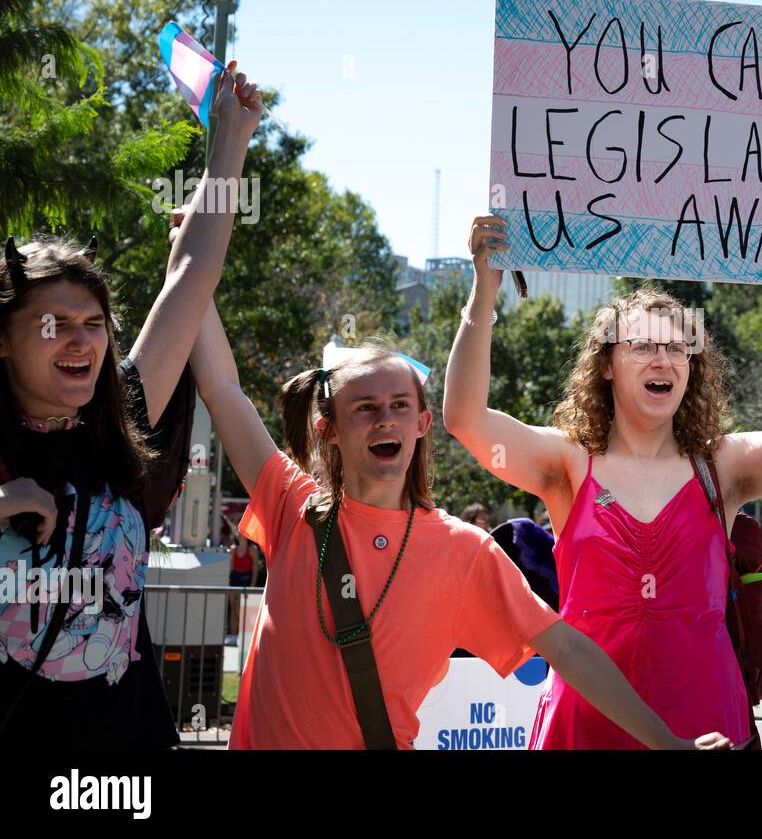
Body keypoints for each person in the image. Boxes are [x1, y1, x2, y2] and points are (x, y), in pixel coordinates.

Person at [443, 207, 762, 748]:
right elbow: (464, 419)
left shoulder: (725, 467)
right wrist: (483, 293)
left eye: (677, 348)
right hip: (585, 720)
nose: (663, 359)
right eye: (642, 346)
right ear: (605, 364)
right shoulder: (567, 463)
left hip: (707, 717)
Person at [187, 298, 729, 750]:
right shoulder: (291, 505)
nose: (385, 419)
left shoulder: (463, 552)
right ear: (328, 430)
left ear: (422, 423)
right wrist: (191, 273)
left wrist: (669, 744)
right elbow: (220, 387)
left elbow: (568, 650)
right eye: (365, 408)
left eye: (400, 405)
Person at [0, 62, 263, 747]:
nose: (82, 340)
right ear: (2, 340)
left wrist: (229, 140)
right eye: (54, 323)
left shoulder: (124, 425)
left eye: (94, 323)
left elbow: (191, 273)